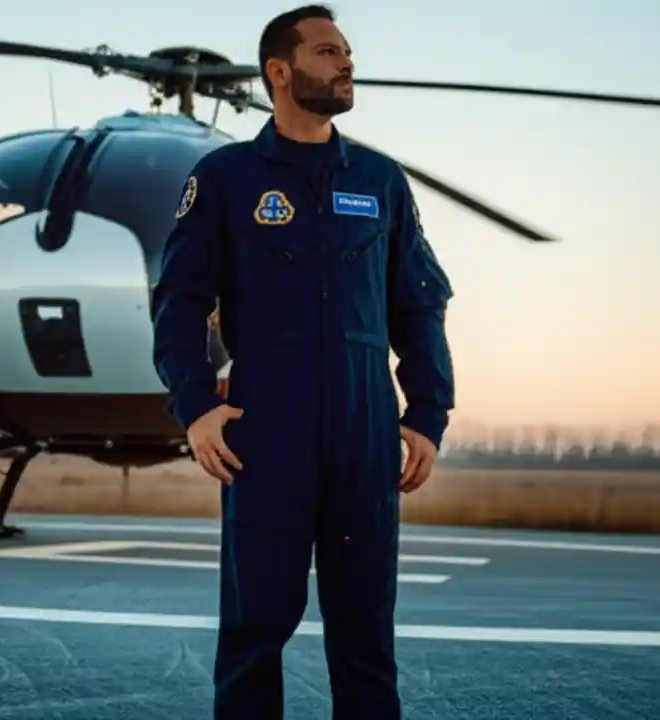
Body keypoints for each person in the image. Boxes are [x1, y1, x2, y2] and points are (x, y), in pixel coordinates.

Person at [151, 4, 455, 717]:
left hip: (363, 432)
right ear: (279, 73)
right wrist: (194, 406)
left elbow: (419, 305)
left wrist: (427, 416)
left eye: (346, 51)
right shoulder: (225, 178)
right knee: (255, 636)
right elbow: (180, 302)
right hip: (267, 433)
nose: (346, 63)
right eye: (326, 52)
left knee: (366, 640)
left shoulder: (381, 182)